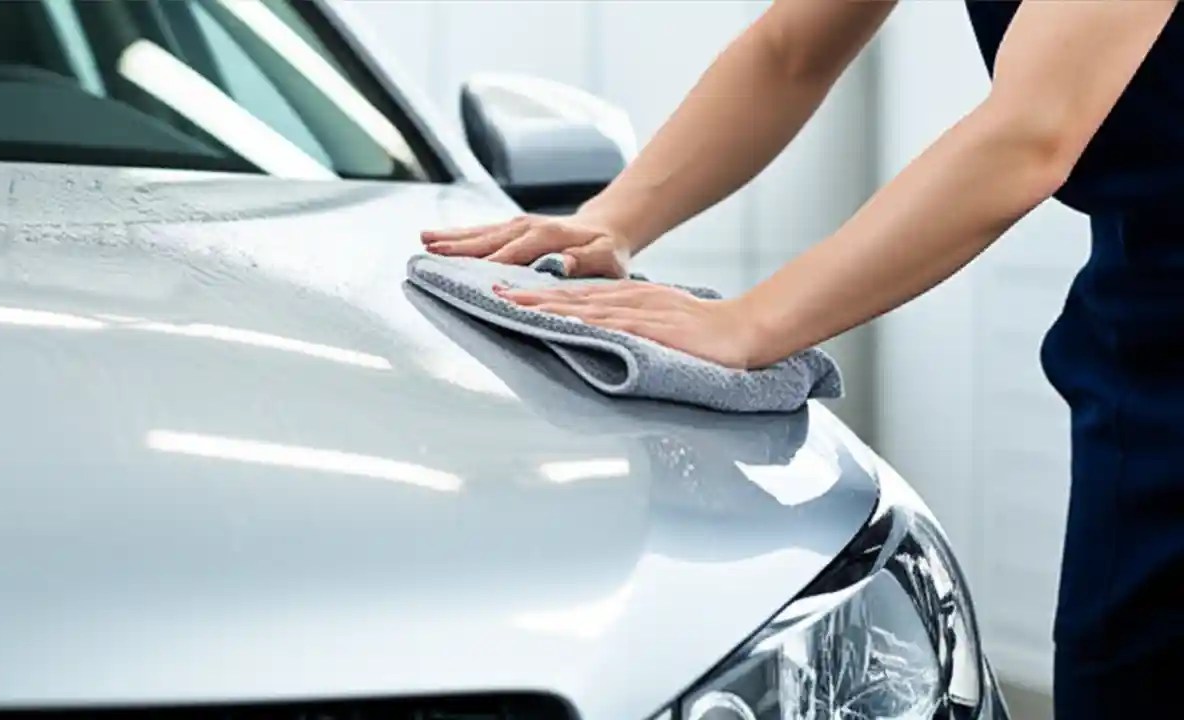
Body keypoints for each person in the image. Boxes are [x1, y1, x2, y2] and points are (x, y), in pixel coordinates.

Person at [421, 0, 1184, 715]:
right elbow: (791, 51)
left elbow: (1034, 132)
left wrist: (751, 324)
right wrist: (611, 221)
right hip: (1138, 333)